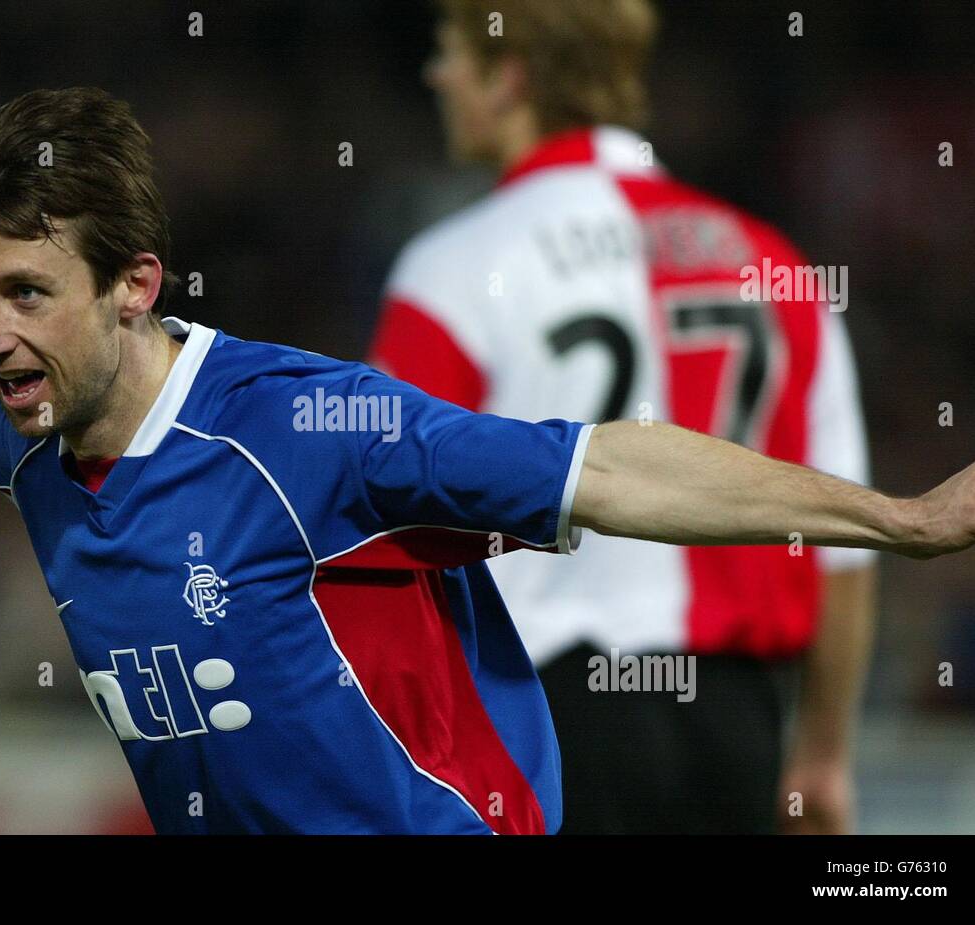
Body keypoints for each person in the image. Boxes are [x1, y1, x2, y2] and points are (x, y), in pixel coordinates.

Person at [0, 86, 975, 835]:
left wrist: (902, 519)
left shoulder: (307, 434)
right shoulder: (26, 423)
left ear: (135, 287)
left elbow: (608, 469)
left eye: (26, 295)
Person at [370, 0, 875, 833]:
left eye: (450, 52)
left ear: (509, 78)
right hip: (738, 727)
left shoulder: (453, 267)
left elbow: (385, 522)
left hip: (544, 724)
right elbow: (840, 540)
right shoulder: (776, 263)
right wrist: (821, 754)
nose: (437, 75)